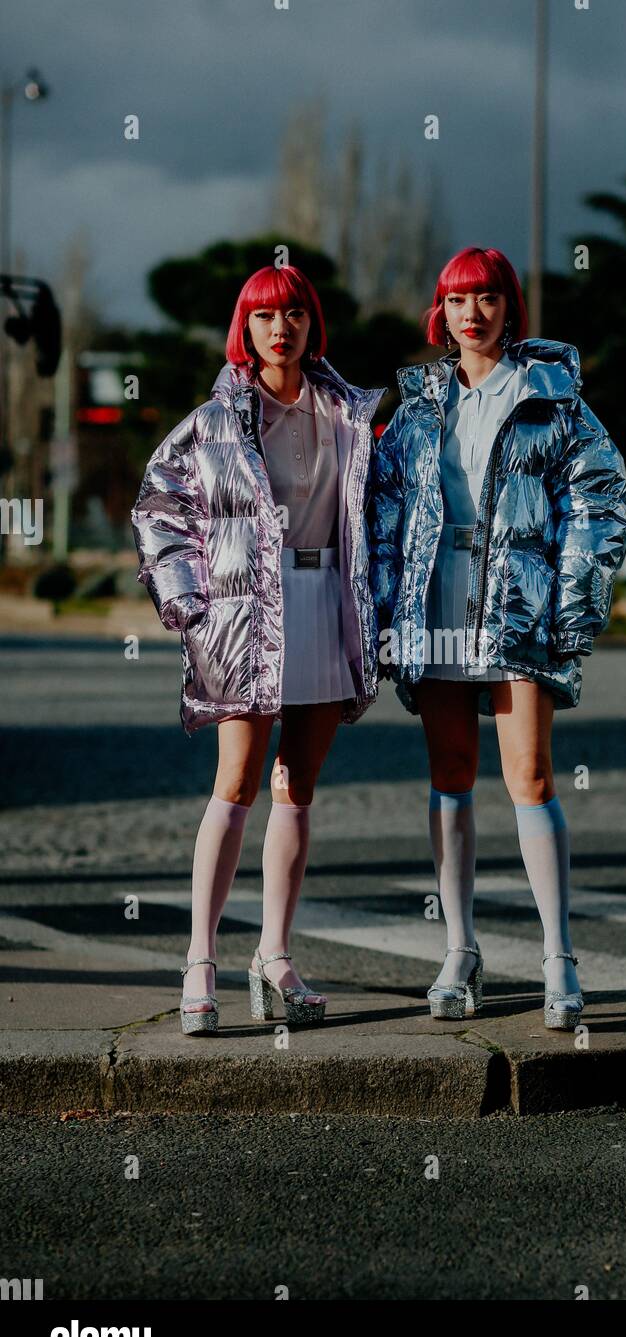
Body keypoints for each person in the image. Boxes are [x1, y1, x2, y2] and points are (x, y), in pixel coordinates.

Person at [368, 246, 626, 1029]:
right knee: (451, 772)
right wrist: (386, 610)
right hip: (439, 600)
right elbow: (384, 508)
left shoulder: (553, 396)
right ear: (440, 314)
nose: (471, 313)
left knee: (534, 776)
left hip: (519, 603)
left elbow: (603, 498)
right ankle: (461, 951)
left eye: (485, 298)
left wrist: (572, 600)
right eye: (456, 300)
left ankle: (558, 960)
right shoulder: (416, 404)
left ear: (510, 306)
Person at [131, 265, 384, 1035]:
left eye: (296, 314)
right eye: (267, 316)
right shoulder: (216, 419)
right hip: (245, 616)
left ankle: (274, 955)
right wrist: (186, 604)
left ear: (313, 326)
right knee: (236, 782)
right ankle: (199, 963)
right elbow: (158, 504)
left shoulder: (347, 412)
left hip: (325, 601)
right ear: (247, 328)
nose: (283, 328)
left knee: (296, 786)